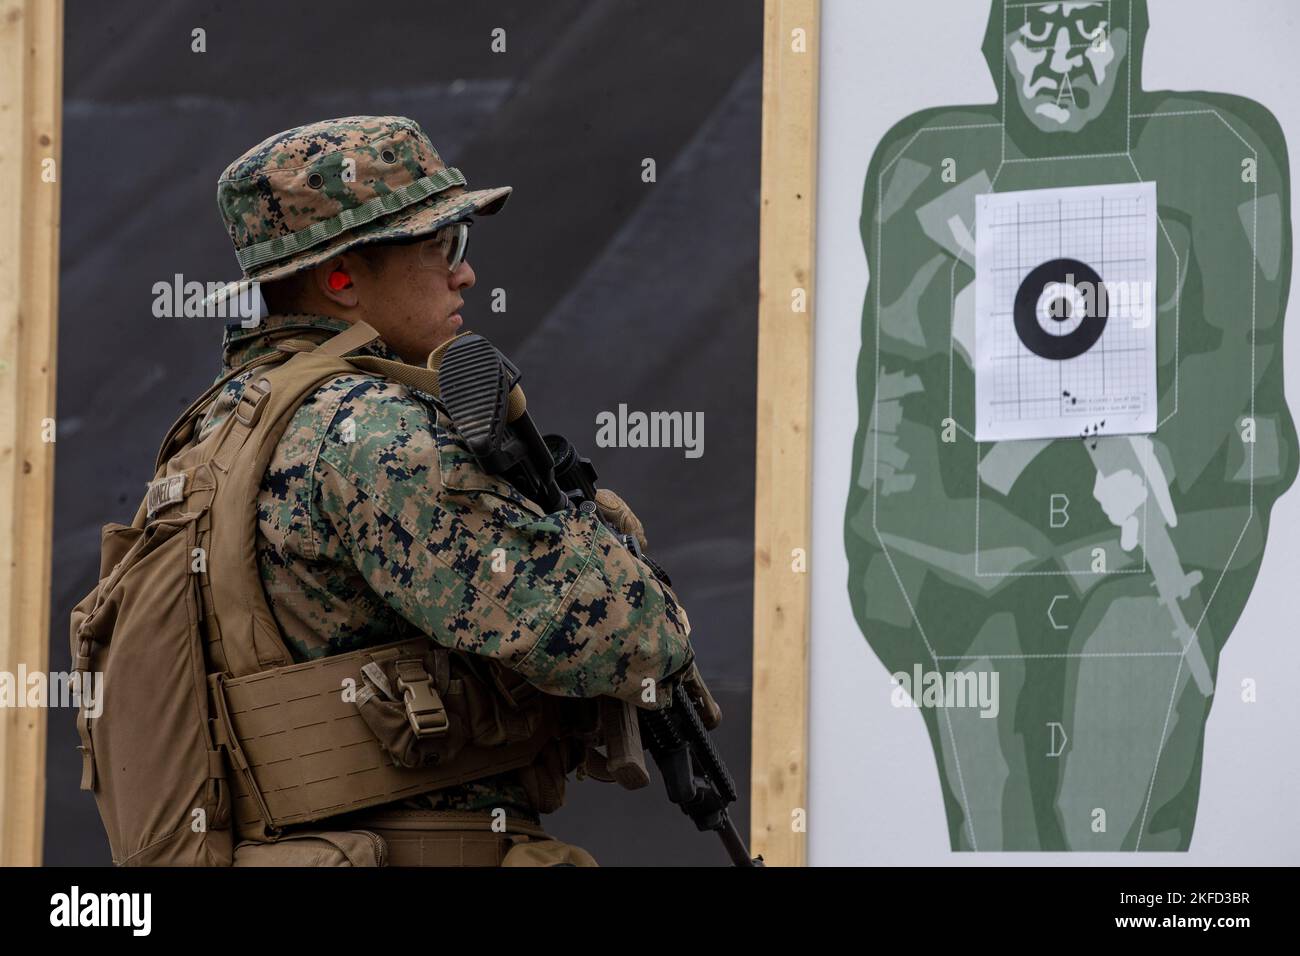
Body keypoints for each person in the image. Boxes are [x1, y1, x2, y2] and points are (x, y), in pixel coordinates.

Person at [846, 0, 1294, 850]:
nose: (1061, 57)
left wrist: (1166, 460)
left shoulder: (1215, 146)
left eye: (1088, 26)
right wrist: (898, 566)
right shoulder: (927, 166)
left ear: (1130, 33)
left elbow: (1243, 358)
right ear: (998, 40)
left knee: (1115, 830)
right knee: (999, 832)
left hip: (1154, 549)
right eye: (1035, 29)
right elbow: (895, 402)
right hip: (971, 554)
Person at [195, 115, 695, 865]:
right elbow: (629, 639)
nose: (463, 273)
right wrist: (582, 521)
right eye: (442, 246)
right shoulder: (370, 436)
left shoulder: (221, 429)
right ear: (341, 279)